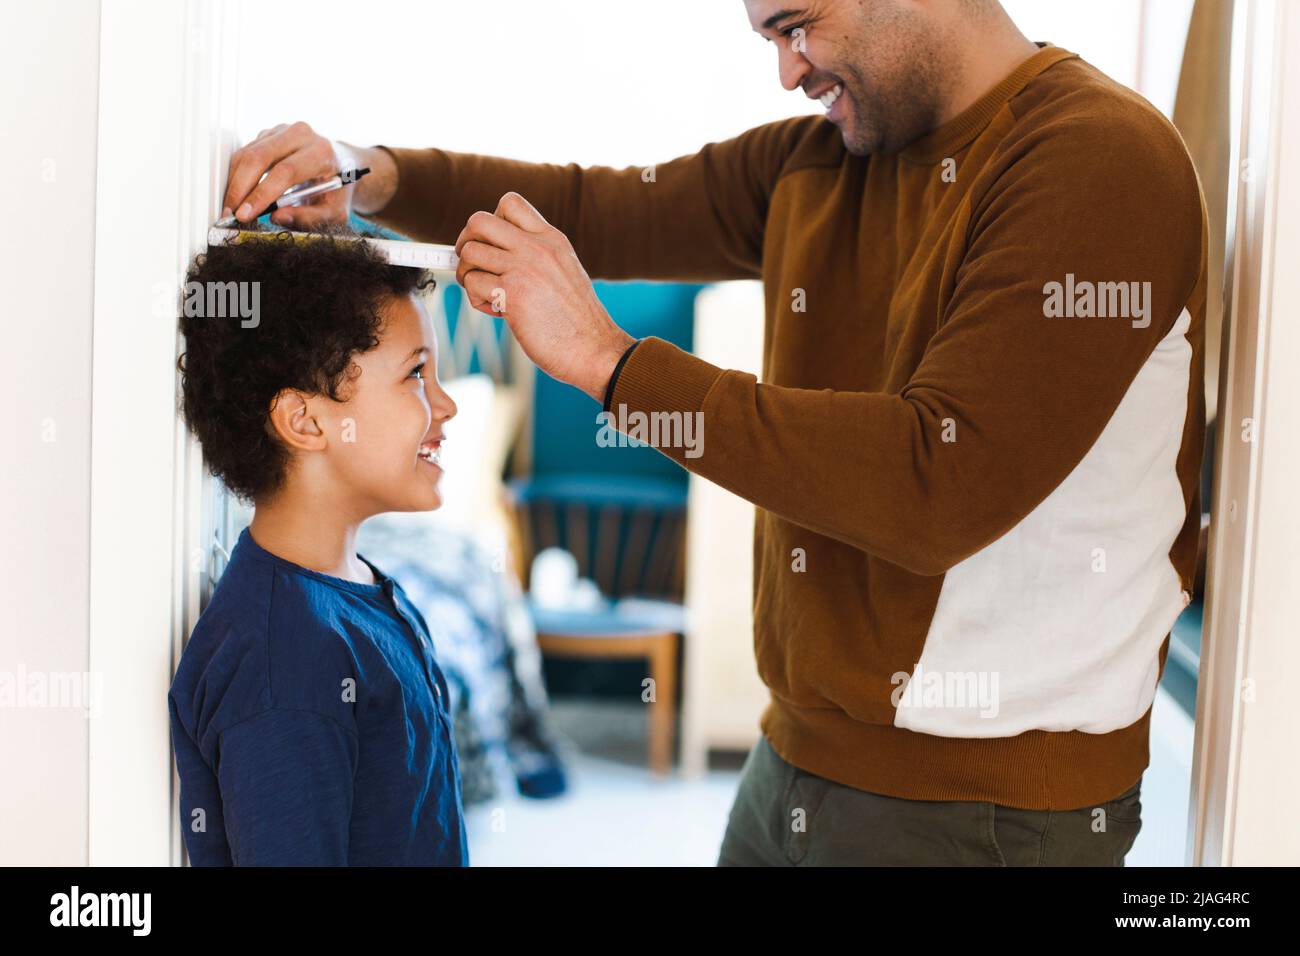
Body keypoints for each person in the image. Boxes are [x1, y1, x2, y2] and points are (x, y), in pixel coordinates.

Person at [224, 0, 1207, 866]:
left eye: (797, 23)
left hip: (989, 817)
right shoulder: (818, 162)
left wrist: (611, 362)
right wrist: (374, 178)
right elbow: (599, 206)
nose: (786, 69)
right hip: (796, 763)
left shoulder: (1096, 160)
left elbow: (934, 485)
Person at [167, 226, 465, 865]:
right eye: (416, 374)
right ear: (305, 421)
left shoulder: (363, 591)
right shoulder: (285, 664)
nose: (446, 405)